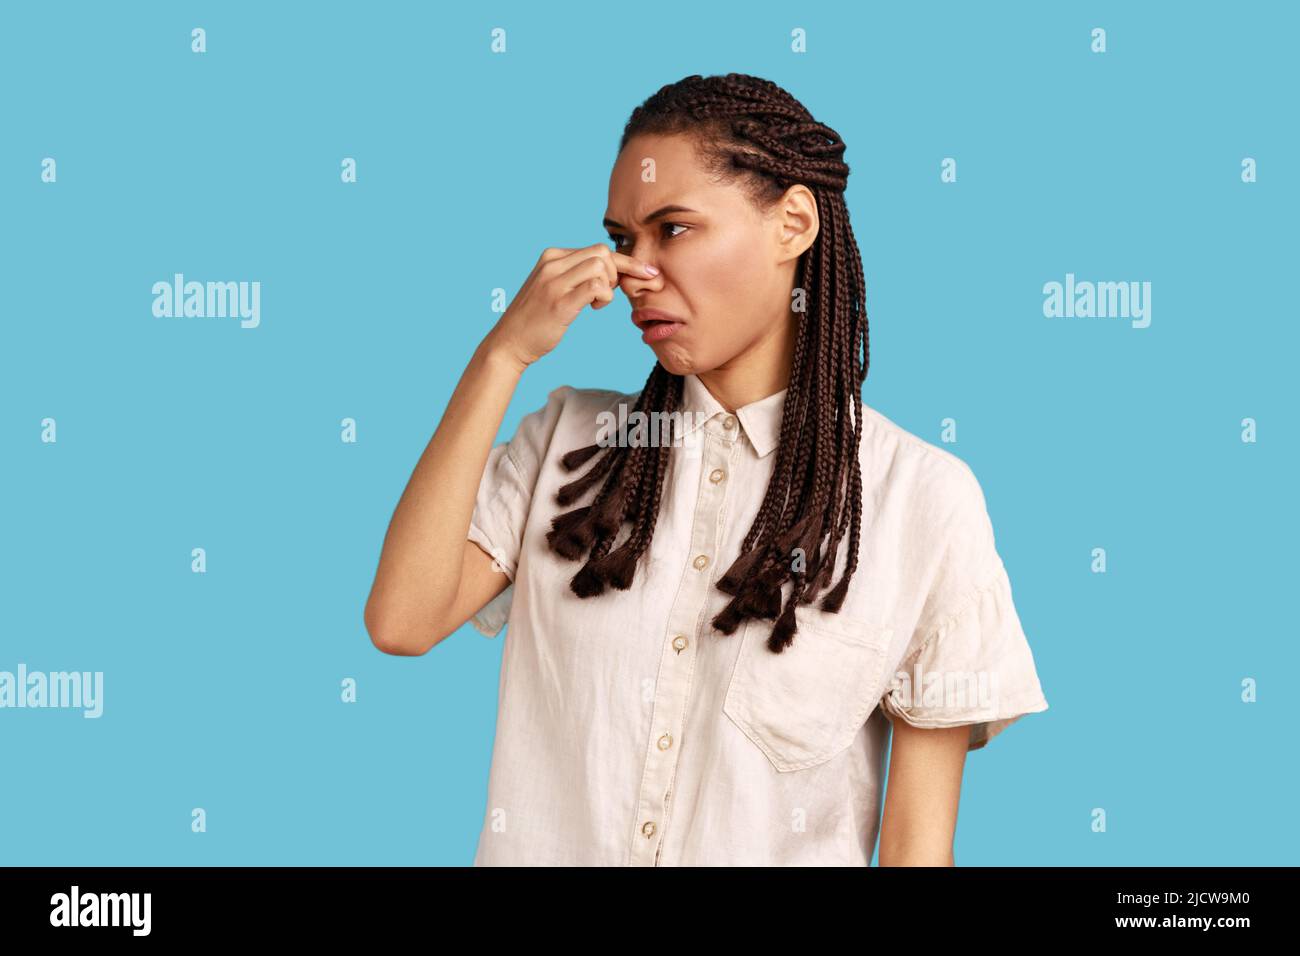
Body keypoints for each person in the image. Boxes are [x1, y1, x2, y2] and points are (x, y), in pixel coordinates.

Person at [364, 73, 1049, 866]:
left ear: (793, 223)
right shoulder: (569, 444)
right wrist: (502, 354)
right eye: (623, 240)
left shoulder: (919, 501)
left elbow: (916, 853)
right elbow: (402, 622)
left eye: (674, 229)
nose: (637, 272)